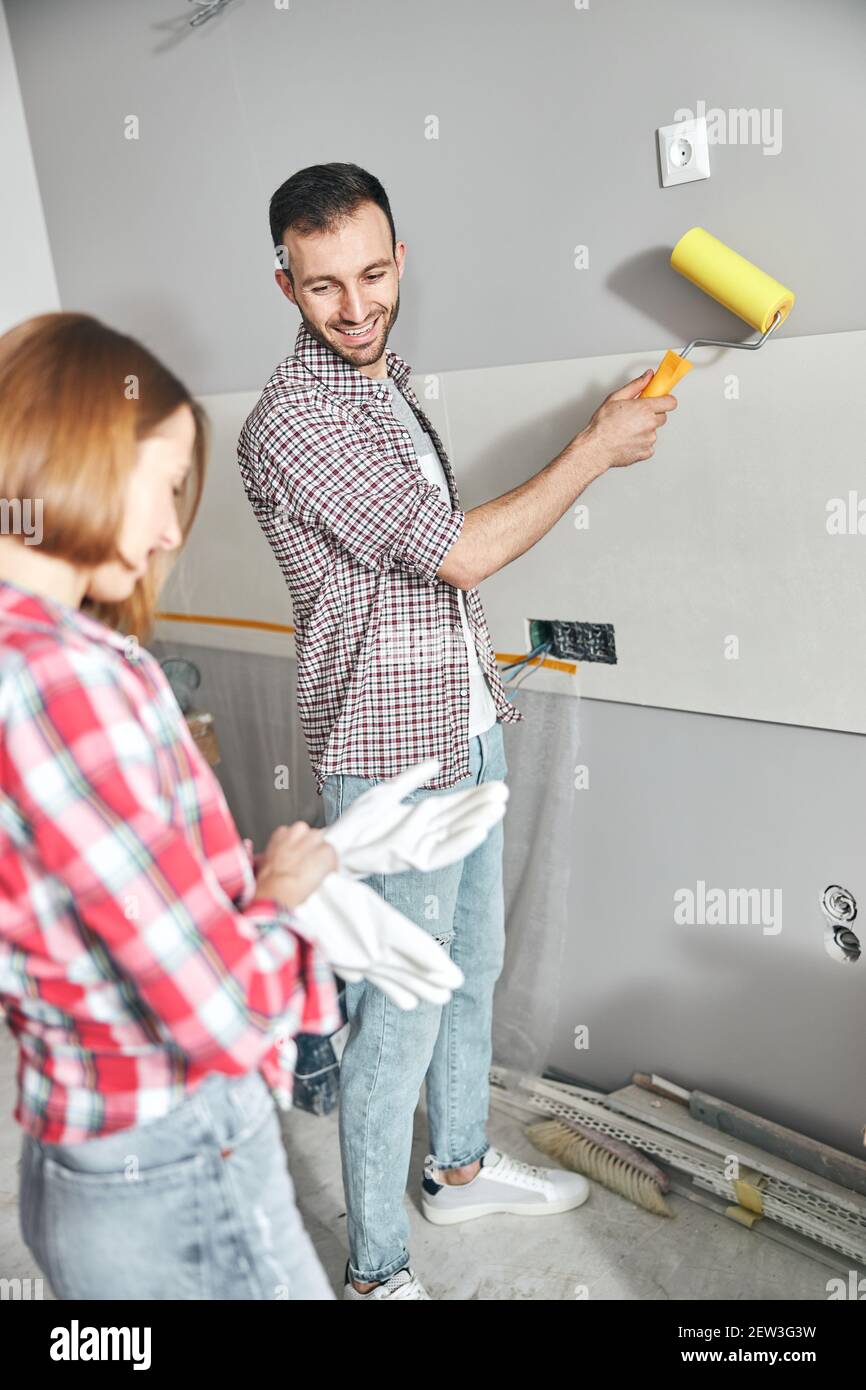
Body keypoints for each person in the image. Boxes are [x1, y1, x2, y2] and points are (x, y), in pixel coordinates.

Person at [237, 162, 678, 1299]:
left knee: (469, 967)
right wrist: (594, 449)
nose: (355, 305)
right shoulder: (297, 417)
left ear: (398, 259)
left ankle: (458, 1166)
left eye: (373, 273)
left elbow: (435, 554)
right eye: (323, 283)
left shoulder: (384, 383)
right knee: (400, 1013)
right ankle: (377, 1274)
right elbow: (460, 552)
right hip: (390, 762)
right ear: (283, 283)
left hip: (461, 724)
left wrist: (589, 427)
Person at [0, 311, 495, 1301]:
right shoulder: (72, 683)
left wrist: (266, 881)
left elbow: (103, 919)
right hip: (181, 1166)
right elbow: (223, 1016)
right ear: (75, 455)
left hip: (75, 1151)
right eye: (162, 483)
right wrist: (293, 897)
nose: (171, 529)